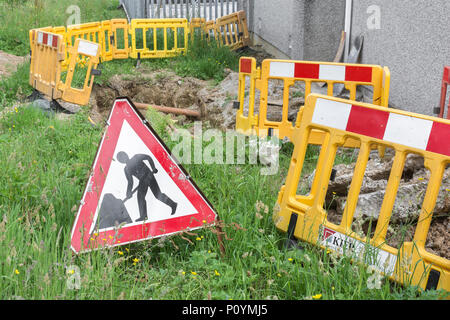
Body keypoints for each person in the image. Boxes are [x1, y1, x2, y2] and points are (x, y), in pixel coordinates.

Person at [116, 151, 178, 222]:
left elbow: (148, 157)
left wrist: (153, 167)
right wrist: (128, 192)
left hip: (149, 175)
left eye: (123, 156)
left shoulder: (136, 157)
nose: (123, 159)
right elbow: (130, 181)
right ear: (120, 162)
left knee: (157, 195)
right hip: (142, 181)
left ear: (126, 154)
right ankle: (143, 216)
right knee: (140, 197)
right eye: (120, 159)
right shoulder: (126, 169)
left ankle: (173, 204)